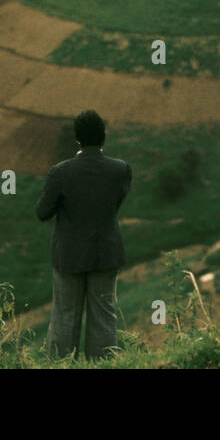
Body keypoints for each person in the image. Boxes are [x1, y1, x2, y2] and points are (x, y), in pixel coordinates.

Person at [34, 109, 133, 360]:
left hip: (69, 254)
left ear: (76, 139)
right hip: (105, 251)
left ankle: (61, 365)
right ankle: (102, 365)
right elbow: (115, 202)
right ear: (104, 137)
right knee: (103, 315)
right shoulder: (120, 169)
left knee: (65, 315)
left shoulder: (60, 172)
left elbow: (42, 212)